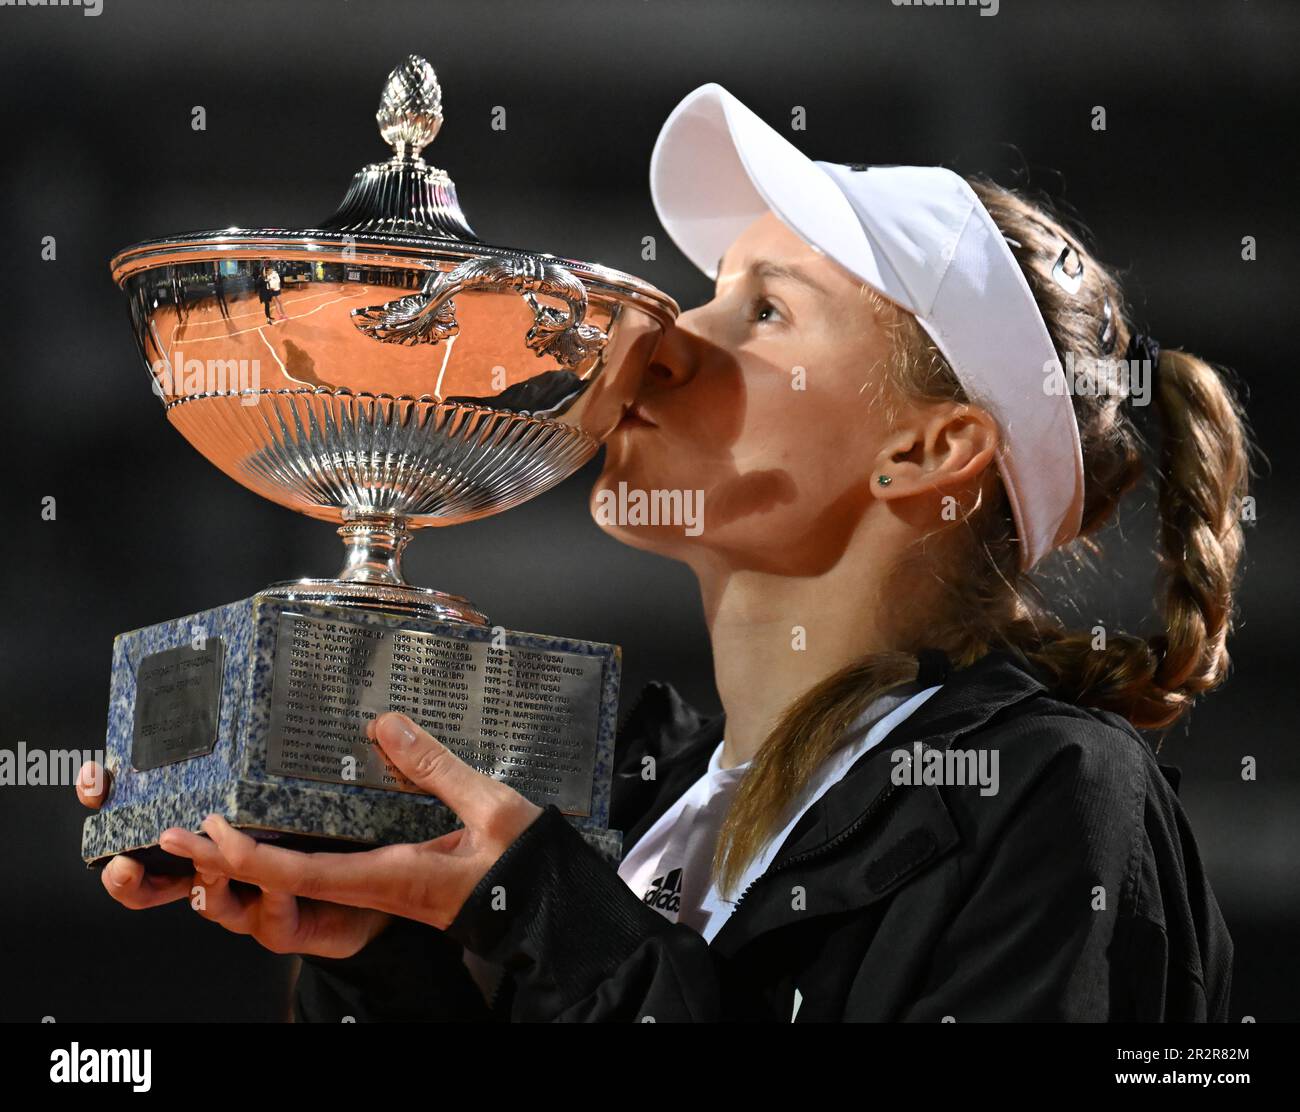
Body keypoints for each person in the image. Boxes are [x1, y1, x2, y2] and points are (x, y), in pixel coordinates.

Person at [78, 84, 1250, 1022]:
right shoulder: (629, 788)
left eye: (766, 310)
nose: (664, 338)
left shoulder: (1053, 798)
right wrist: (382, 953)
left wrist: (543, 911)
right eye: (706, 293)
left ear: (926, 449)